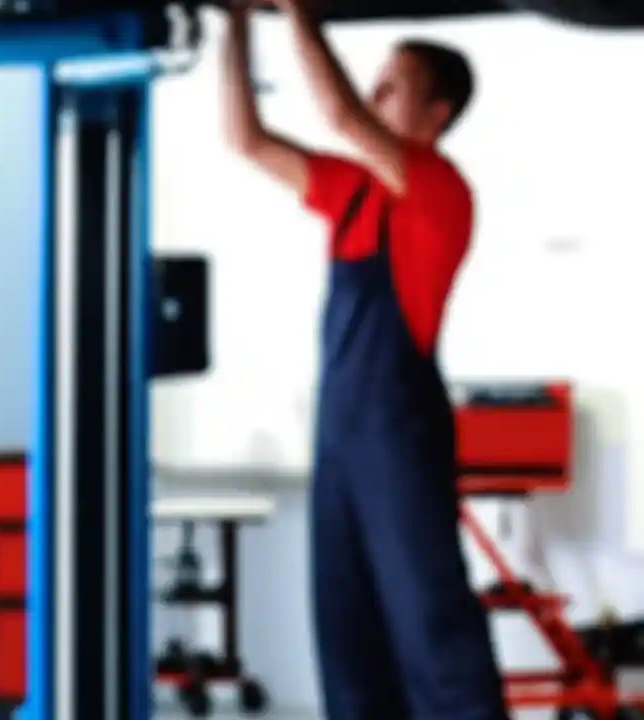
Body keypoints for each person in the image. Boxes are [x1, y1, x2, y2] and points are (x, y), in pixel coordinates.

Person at [220, 1, 509, 718]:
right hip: (342, 435)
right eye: (375, 80)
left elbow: (343, 116)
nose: (375, 93)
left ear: (437, 112)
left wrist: (301, 17)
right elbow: (247, 139)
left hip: (398, 435)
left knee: (428, 615)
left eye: (394, 84)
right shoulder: (353, 194)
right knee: (345, 626)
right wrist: (235, 25)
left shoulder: (440, 191)